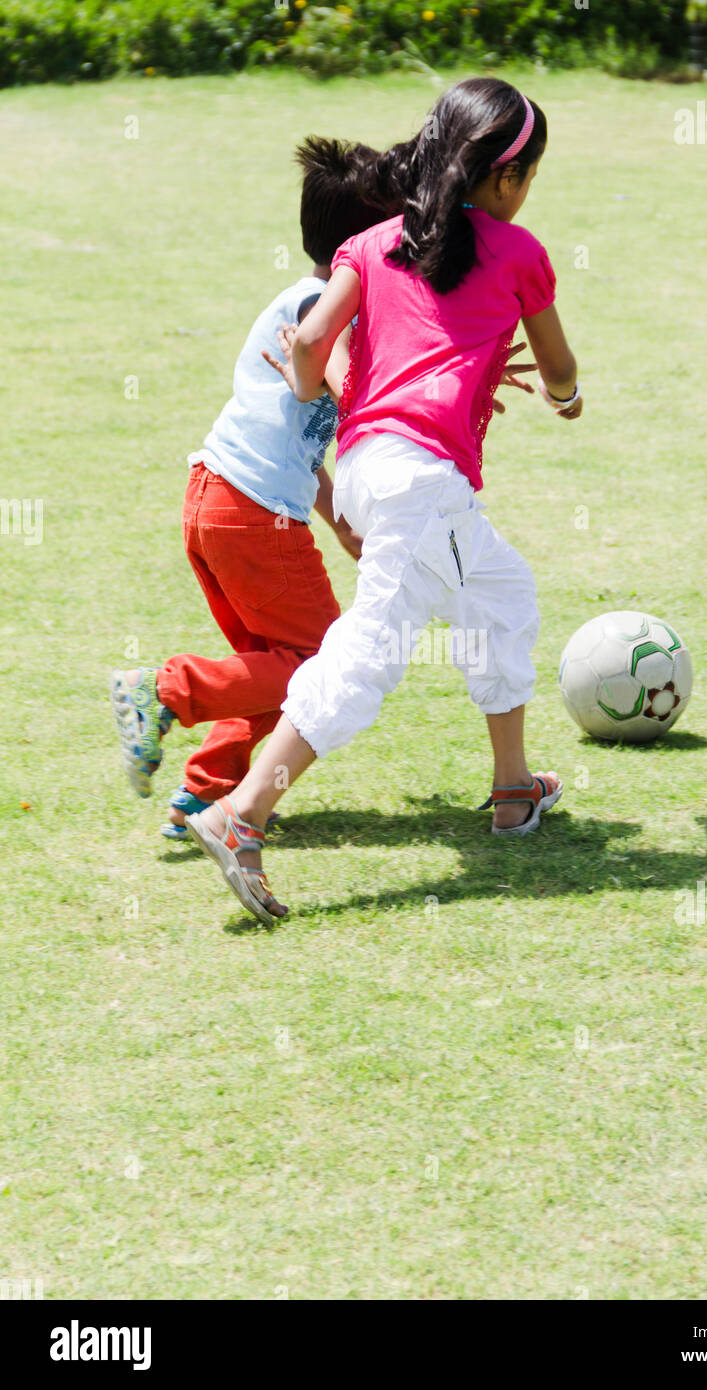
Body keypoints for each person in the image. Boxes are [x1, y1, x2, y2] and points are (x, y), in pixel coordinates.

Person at [187, 77, 583, 924]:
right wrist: (568, 398)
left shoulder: (371, 244)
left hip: (370, 471)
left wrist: (303, 365)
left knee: (503, 592)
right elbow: (558, 369)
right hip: (422, 483)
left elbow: (313, 354)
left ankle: (514, 789)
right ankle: (242, 812)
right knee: (366, 655)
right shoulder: (518, 252)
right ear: (509, 180)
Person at [109, 139, 390, 838]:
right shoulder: (328, 313)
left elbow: (292, 435)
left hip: (215, 498)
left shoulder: (298, 299)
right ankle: (165, 690)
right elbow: (348, 396)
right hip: (253, 517)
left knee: (270, 664)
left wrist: (334, 516)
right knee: (320, 662)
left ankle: (202, 794)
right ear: (365, 247)